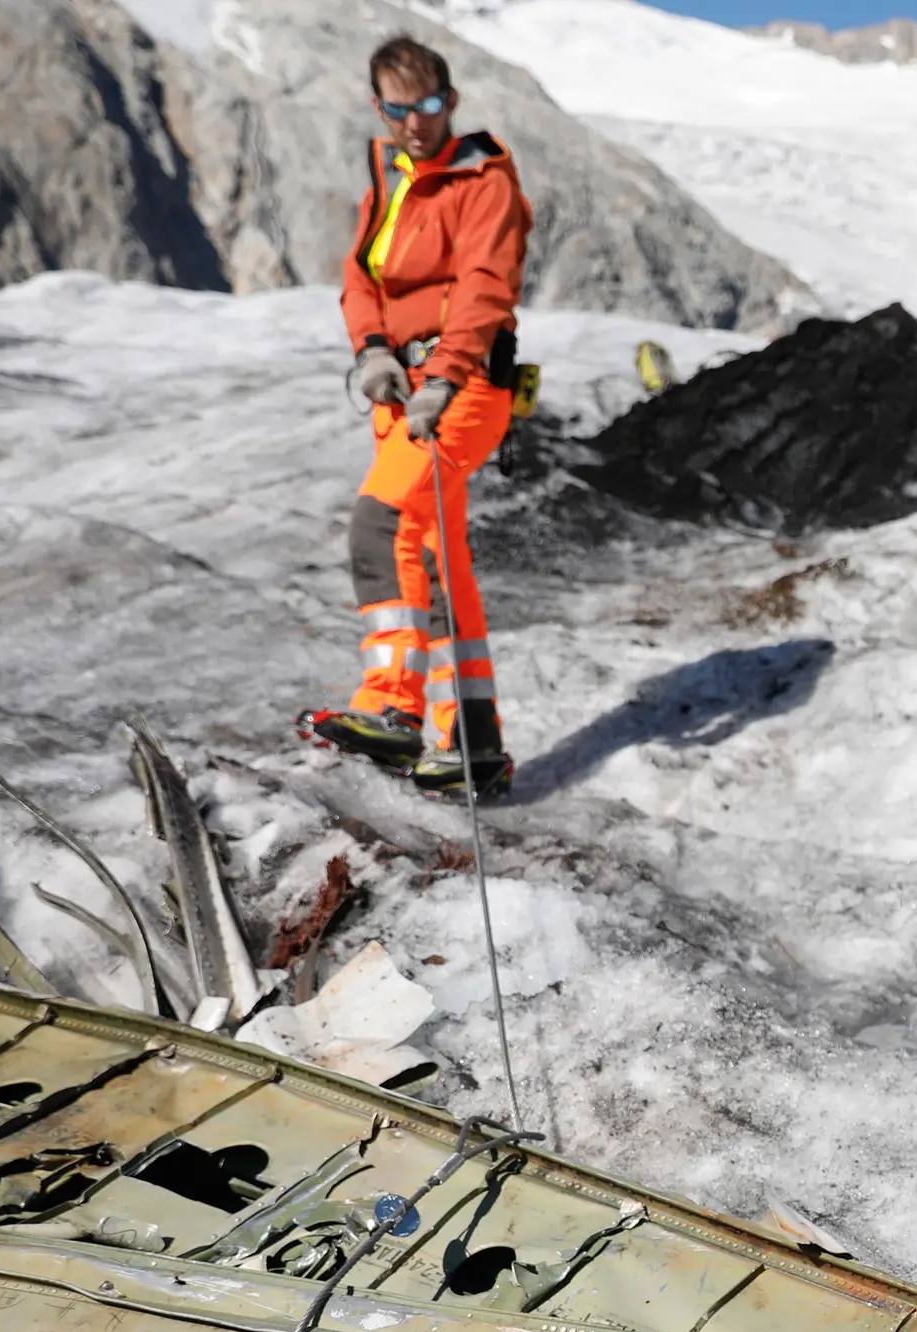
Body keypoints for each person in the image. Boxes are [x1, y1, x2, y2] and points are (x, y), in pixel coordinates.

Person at [296, 35, 530, 796]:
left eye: (428, 106)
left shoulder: (481, 177)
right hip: (405, 391)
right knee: (436, 553)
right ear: (381, 110)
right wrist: (371, 349)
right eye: (399, 110)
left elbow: (485, 285)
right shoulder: (390, 176)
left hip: (459, 389)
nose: (415, 123)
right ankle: (471, 738)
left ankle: (393, 710)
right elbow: (361, 274)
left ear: (451, 101)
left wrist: (447, 377)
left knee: (382, 523)